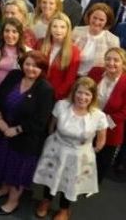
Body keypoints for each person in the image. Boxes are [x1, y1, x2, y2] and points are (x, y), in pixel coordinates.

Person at [0, 50, 55, 216]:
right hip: (4, 130)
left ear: (42, 69)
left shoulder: (46, 89)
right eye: (27, 64)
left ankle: (13, 202)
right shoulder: (14, 76)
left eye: (36, 66)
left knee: (17, 170)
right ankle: (4, 188)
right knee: (4, 162)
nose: (30, 69)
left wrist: (15, 130)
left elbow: (40, 121)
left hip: (25, 139)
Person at [33, 77, 109, 219]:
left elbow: (101, 140)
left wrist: (89, 152)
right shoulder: (61, 105)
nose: (82, 97)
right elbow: (52, 126)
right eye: (79, 92)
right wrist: (54, 141)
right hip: (57, 148)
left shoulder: (99, 116)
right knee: (51, 176)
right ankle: (46, 201)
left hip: (79, 154)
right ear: (74, 92)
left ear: (93, 97)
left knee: (70, 182)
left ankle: (64, 209)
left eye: (87, 94)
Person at [87, 47, 126, 183]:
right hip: (87, 123)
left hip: (111, 129)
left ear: (123, 63)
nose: (111, 63)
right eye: (108, 59)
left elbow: (124, 113)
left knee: (101, 162)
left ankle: (94, 184)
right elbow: (83, 93)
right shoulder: (95, 72)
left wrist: (101, 125)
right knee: (85, 156)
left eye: (116, 60)